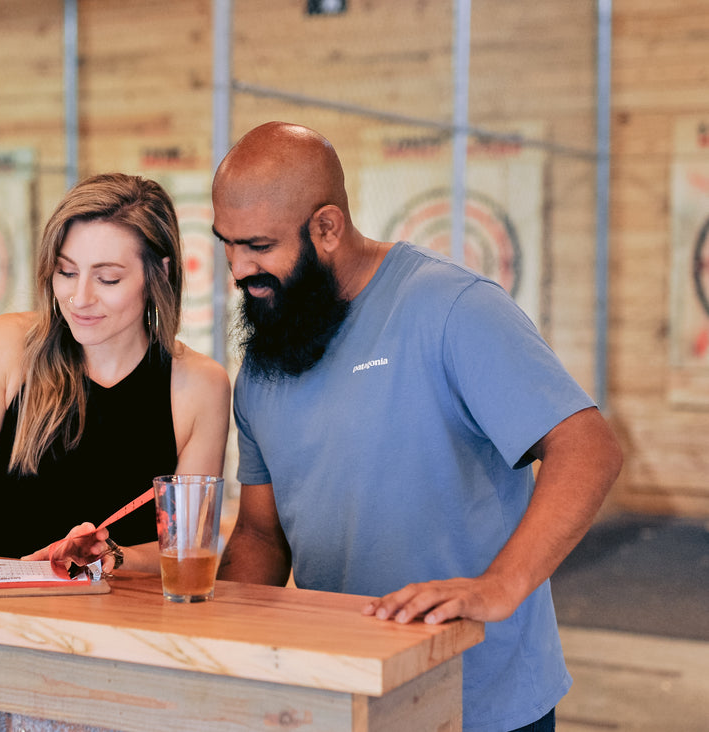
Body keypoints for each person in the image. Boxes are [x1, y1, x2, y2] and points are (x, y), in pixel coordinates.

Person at [211, 122, 623, 732]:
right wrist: (217, 647)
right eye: (226, 243)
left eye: (259, 245)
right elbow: (261, 535)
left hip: (480, 699)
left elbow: (588, 448)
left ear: (326, 227)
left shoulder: (452, 307)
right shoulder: (267, 358)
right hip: (349, 694)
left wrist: (499, 587)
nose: (239, 267)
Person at [0, 173, 231, 582]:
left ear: (160, 274)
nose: (80, 298)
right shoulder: (9, 345)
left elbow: (189, 547)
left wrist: (111, 556)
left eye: (108, 278)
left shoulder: (200, 384)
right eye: (66, 272)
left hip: (134, 623)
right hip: (11, 615)